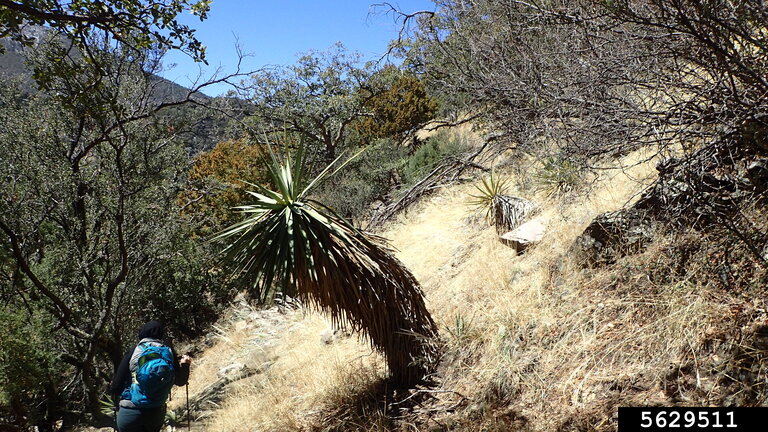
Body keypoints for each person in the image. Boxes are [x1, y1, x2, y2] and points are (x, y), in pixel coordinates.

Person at [109, 320, 192, 432]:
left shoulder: (134, 351)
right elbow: (181, 381)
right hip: (155, 413)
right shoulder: (168, 352)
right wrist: (185, 365)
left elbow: (116, 386)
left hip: (130, 412)